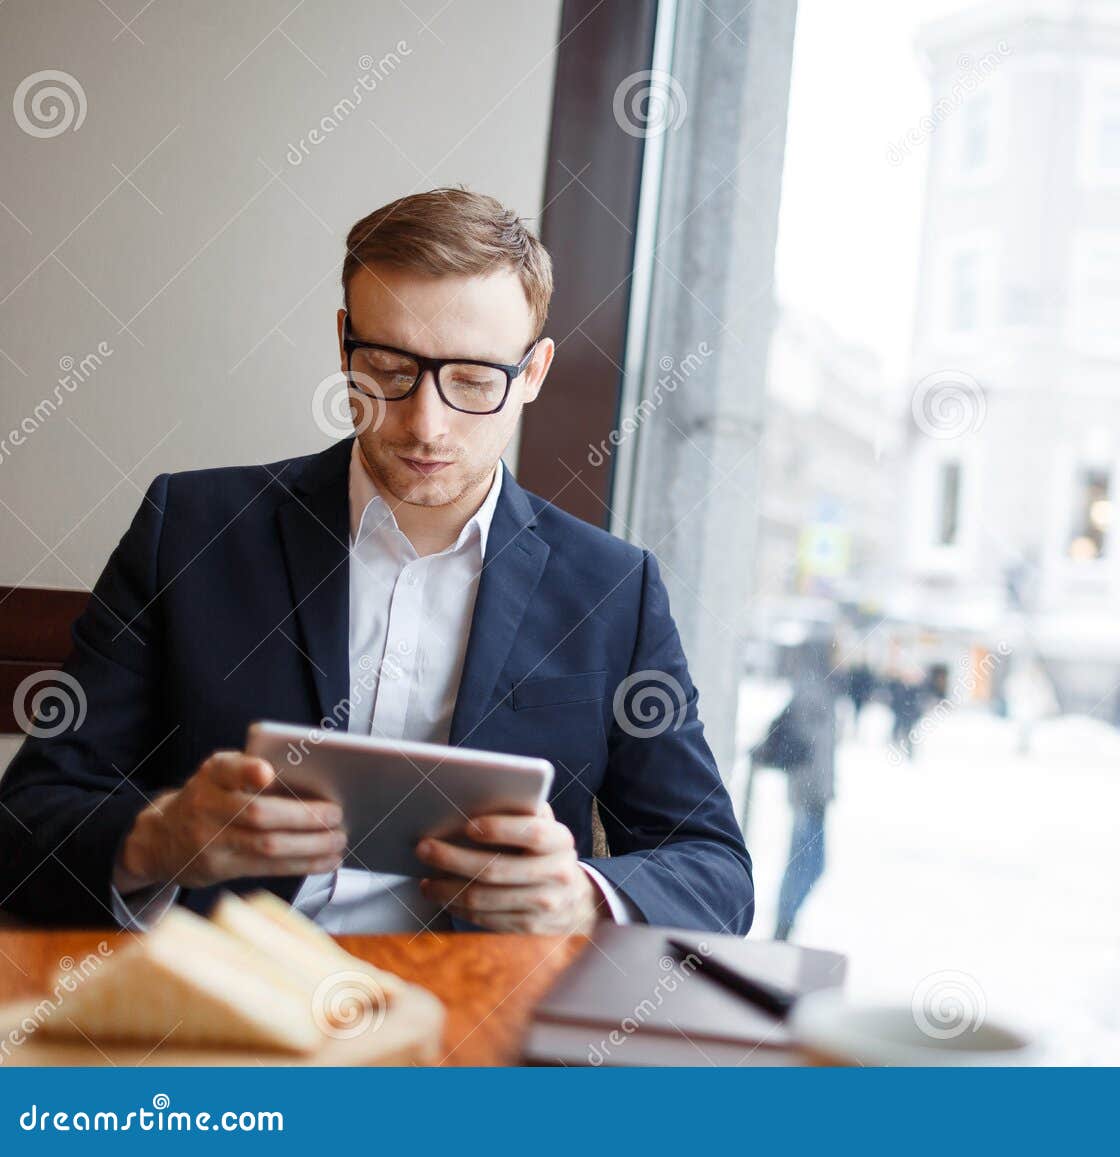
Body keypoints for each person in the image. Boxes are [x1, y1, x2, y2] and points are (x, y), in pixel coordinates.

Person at [0, 188, 752, 935]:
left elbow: (714, 867)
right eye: (389, 368)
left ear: (532, 373)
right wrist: (155, 839)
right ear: (344, 345)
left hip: (472, 1021)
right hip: (223, 998)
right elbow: (25, 820)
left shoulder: (613, 590)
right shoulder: (190, 530)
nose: (426, 424)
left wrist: (579, 895)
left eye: (473, 381)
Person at [751, 642, 837, 941]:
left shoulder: (818, 691)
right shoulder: (813, 693)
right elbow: (798, 742)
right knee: (807, 864)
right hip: (808, 793)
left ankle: (784, 923)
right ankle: (783, 925)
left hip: (814, 793)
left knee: (809, 863)